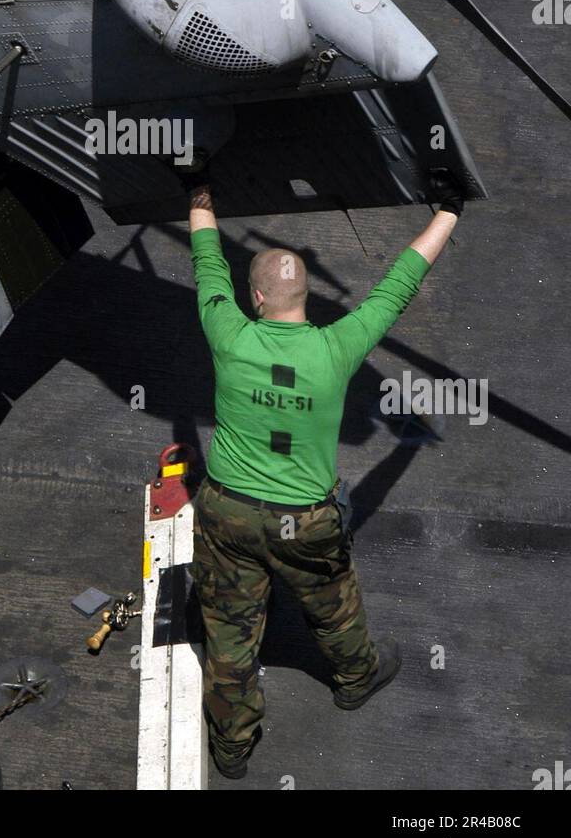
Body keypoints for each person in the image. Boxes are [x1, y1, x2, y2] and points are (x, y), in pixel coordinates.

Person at [184, 169, 464, 778]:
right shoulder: (338, 347)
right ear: (305, 295)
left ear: (256, 298)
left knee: (229, 634)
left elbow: (208, 265)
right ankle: (356, 679)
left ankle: (232, 747)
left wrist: (200, 194)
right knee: (335, 609)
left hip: (228, 511)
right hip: (304, 521)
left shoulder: (228, 334)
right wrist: (448, 211)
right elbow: (398, 284)